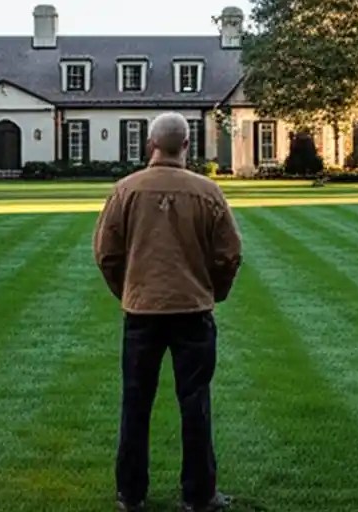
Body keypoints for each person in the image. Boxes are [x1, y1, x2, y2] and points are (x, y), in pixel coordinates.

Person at [93, 112, 243, 512]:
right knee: (195, 402)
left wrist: (128, 290)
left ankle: (130, 493)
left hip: (142, 311)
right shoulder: (207, 192)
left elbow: (107, 254)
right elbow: (229, 255)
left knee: (136, 401)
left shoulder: (125, 190)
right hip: (193, 311)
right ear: (187, 147)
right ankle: (199, 495)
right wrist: (215, 291)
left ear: (149, 145)